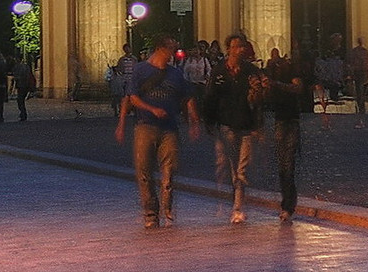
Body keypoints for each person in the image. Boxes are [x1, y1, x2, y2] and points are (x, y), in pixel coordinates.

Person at [114, 36, 199, 228]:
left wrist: (194, 121)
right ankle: (151, 213)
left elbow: (188, 97)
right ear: (160, 49)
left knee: (169, 172)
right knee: (144, 172)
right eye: (171, 50)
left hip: (170, 128)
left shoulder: (176, 74)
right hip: (145, 126)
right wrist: (124, 124)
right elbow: (131, 98)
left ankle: (167, 209)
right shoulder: (140, 70)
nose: (173, 54)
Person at [203, 32, 263, 224]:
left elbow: (259, 101)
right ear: (228, 48)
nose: (241, 49)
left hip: (247, 124)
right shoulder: (219, 71)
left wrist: (258, 92)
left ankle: (237, 206)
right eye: (237, 46)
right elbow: (210, 97)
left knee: (242, 169)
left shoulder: (251, 71)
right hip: (226, 124)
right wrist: (209, 122)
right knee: (227, 165)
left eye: (243, 46)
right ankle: (232, 204)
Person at [265, 47, 305, 223]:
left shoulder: (290, 73)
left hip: (291, 120)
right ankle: (287, 203)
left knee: (288, 164)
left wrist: (276, 85)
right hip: (280, 120)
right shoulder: (271, 75)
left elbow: (298, 88)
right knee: (283, 165)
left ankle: (288, 205)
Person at [346, 37, 368, 125]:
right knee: (361, 88)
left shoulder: (355, 51)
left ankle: (360, 103)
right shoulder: (364, 51)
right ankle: (361, 104)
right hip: (361, 71)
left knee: (359, 88)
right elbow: (367, 62)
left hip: (358, 71)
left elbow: (351, 62)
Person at [12, 55, 36, 121]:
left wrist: (16, 79)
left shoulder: (18, 67)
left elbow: (17, 76)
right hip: (26, 85)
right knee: (21, 100)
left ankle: (23, 113)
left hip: (21, 85)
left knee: (20, 100)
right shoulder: (26, 66)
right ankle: (23, 113)